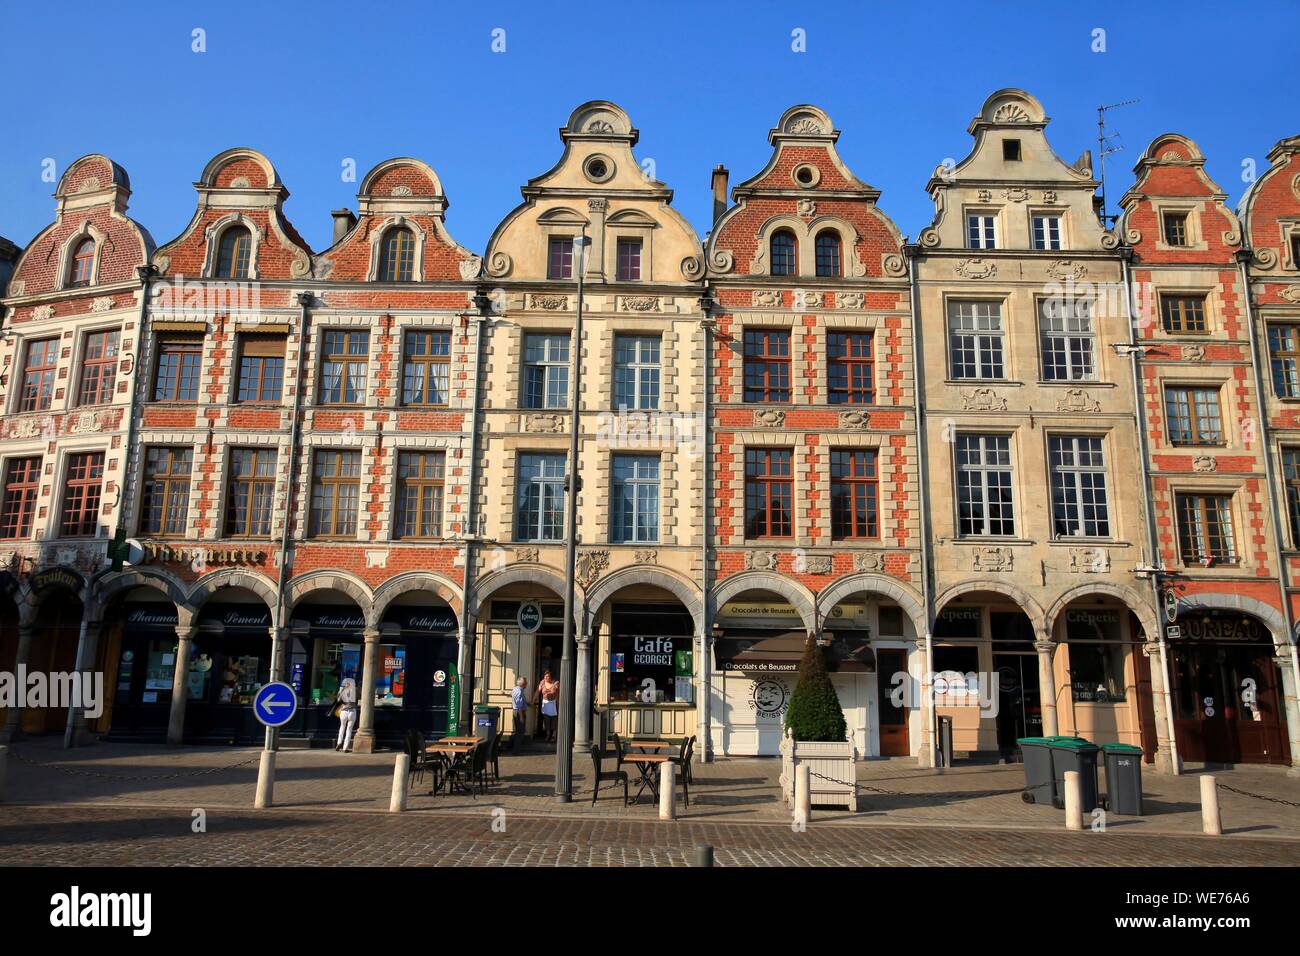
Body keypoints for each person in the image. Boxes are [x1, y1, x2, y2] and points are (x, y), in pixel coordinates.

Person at [535, 669, 559, 743]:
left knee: (554, 720)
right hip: (545, 703)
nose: (545, 678)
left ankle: (554, 735)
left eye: (547, 676)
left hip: (554, 703)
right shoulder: (542, 682)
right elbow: (537, 692)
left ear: (551, 677)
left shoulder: (556, 683)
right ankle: (548, 735)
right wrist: (533, 700)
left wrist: (559, 702)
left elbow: (559, 693)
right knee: (546, 720)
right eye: (545, 676)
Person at [335, 677, 358, 752]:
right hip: (352, 711)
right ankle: (345, 748)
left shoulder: (342, 690)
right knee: (349, 729)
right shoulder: (354, 690)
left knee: (342, 727)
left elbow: (338, 699)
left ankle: (339, 742)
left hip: (344, 711)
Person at [511, 676, 528, 751]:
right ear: (522, 684)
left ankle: (511, 746)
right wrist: (521, 717)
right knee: (520, 732)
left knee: (518, 731)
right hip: (519, 713)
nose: (527, 684)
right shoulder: (519, 691)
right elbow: (519, 706)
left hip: (516, 711)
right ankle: (516, 750)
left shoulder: (515, 689)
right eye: (525, 682)